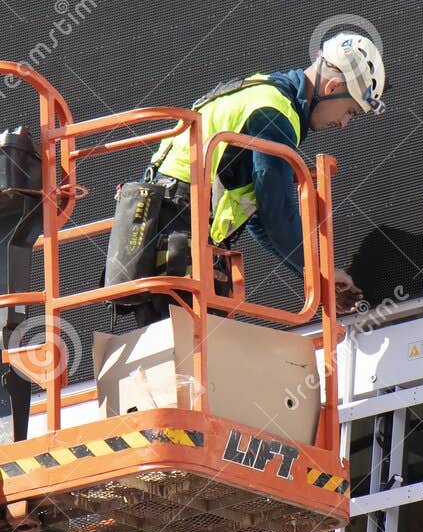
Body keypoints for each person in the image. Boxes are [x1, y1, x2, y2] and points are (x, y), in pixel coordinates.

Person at [111, 30, 384, 321]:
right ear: (332, 87)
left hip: (164, 228)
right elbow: (276, 212)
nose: (343, 123)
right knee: (192, 349)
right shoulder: (274, 111)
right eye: (351, 111)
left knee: (183, 348)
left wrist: (318, 277)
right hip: (177, 228)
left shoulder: (262, 92)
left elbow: (258, 217)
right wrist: (322, 273)